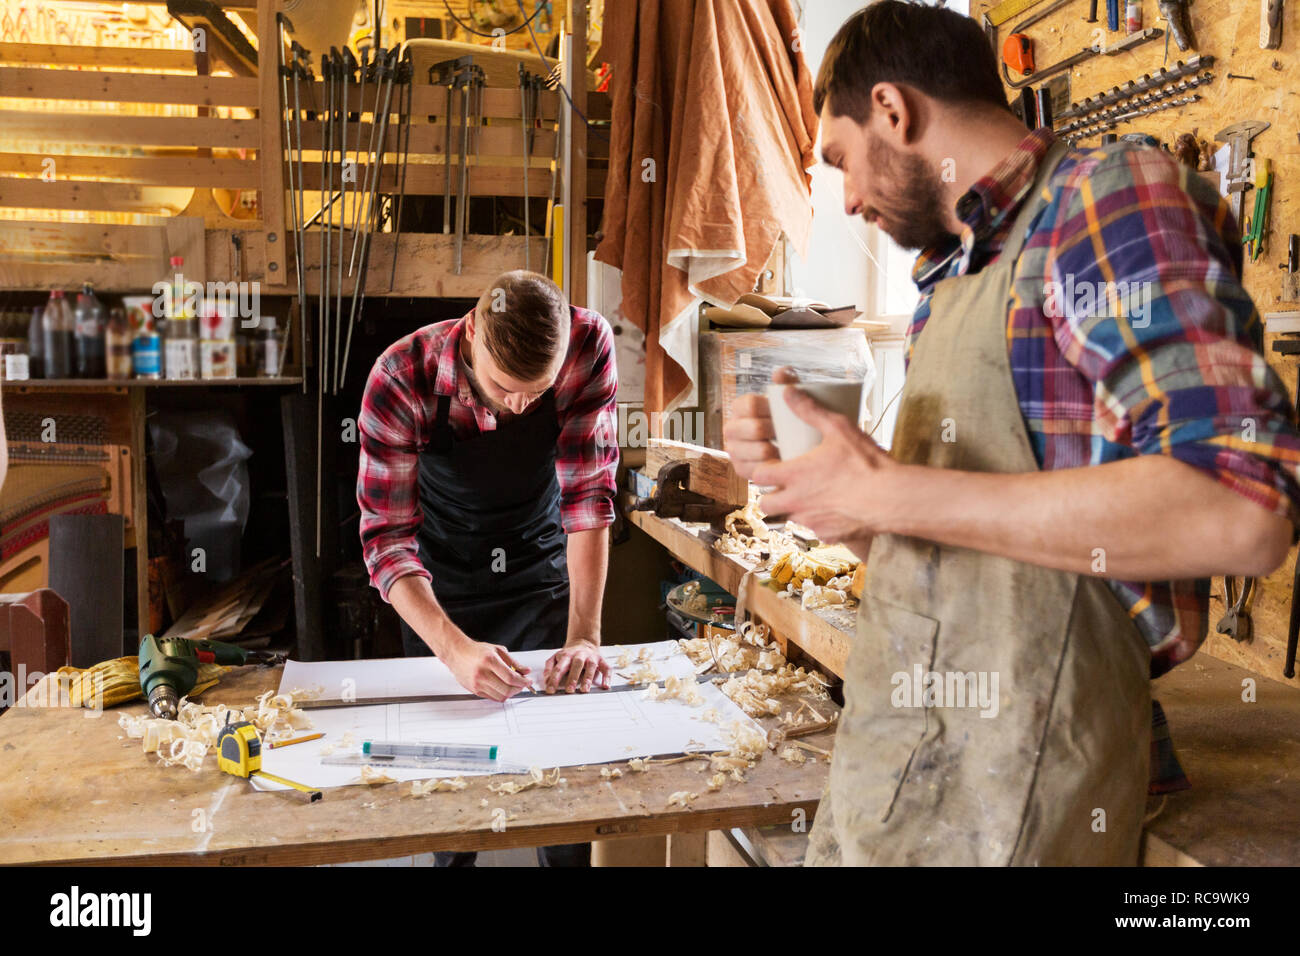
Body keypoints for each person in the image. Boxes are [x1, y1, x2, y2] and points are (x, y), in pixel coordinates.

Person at [724, 2, 1300, 865]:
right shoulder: (956, 279)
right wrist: (843, 508)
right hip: (905, 765)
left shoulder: (1107, 202)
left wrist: (892, 491)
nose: (846, 198)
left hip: (1024, 784)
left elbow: (1241, 508)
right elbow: (965, 561)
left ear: (893, 109)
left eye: (840, 160)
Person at [357, 270, 619, 867]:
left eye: (538, 392)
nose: (523, 406)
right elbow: (388, 542)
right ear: (472, 333)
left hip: (538, 560)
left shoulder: (587, 345)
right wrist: (452, 651)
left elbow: (588, 496)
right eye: (507, 387)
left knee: (563, 777)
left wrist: (584, 634)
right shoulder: (400, 378)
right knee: (452, 787)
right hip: (440, 579)